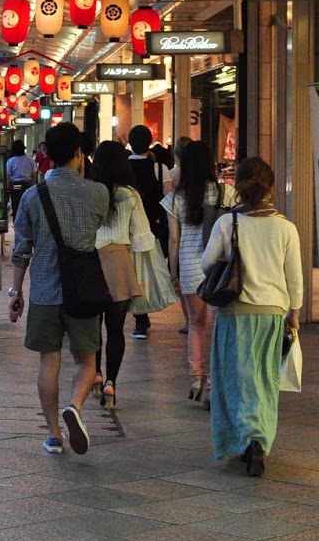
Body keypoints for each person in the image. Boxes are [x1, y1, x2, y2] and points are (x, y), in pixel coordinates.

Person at [9, 123, 111, 456]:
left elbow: (22, 249)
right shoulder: (98, 193)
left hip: (44, 291)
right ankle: (75, 406)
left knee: (48, 362)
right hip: (83, 291)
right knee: (87, 361)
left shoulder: (32, 197)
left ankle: (54, 435)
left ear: (47, 156)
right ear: (80, 153)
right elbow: (98, 226)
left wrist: (16, 292)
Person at [204, 159, 301, 476]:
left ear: (238, 186)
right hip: (272, 314)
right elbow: (295, 278)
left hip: (234, 313)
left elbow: (206, 264)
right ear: (271, 187)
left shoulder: (227, 223)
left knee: (237, 380)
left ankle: (246, 438)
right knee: (264, 379)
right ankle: (258, 439)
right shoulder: (286, 228)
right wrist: (295, 315)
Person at [164, 139, 237, 406]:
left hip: (190, 267)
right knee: (219, 324)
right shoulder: (226, 193)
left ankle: (198, 379)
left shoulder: (176, 198)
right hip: (220, 268)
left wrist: (173, 272)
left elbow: (174, 239)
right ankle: (216, 385)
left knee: (196, 324)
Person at [91, 141, 155, 411]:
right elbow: (142, 238)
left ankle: (94, 374)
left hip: (91, 263)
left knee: (92, 328)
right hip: (119, 262)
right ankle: (111, 383)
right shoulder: (130, 195)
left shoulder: (89, 191)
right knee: (115, 329)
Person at [126, 125, 172, 339]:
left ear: (130, 142)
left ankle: (140, 318)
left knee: (135, 273)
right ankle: (146, 309)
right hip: (153, 229)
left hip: (129, 229)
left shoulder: (123, 167)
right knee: (150, 270)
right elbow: (168, 199)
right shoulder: (160, 169)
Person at [4, 139, 36, 221]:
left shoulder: (11, 161)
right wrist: (34, 186)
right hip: (28, 185)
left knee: (16, 205)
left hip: (16, 186)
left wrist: (7, 188)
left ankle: (17, 221)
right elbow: (34, 175)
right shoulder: (30, 160)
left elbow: (8, 176)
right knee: (28, 205)